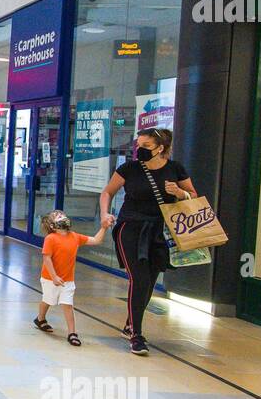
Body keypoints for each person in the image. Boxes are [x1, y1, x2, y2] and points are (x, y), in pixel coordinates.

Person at [97, 127, 196, 356]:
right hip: (130, 227)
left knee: (150, 280)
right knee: (139, 278)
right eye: (138, 145)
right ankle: (137, 335)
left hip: (160, 230)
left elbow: (195, 197)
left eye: (146, 147)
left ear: (160, 148)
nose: (139, 150)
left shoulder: (175, 169)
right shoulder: (129, 169)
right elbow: (107, 192)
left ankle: (130, 323)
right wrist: (105, 213)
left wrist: (181, 194)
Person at [33, 210, 107, 347]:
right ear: (52, 225)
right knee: (48, 300)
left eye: (63, 215)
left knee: (67, 304)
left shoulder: (75, 236)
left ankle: (72, 333)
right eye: (58, 216)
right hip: (50, 278)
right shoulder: (51, 238)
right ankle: (40, 318)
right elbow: (46, 258)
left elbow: (96, 240)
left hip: (68, 280)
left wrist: (104, 227)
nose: (63, 217)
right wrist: (54, 276)